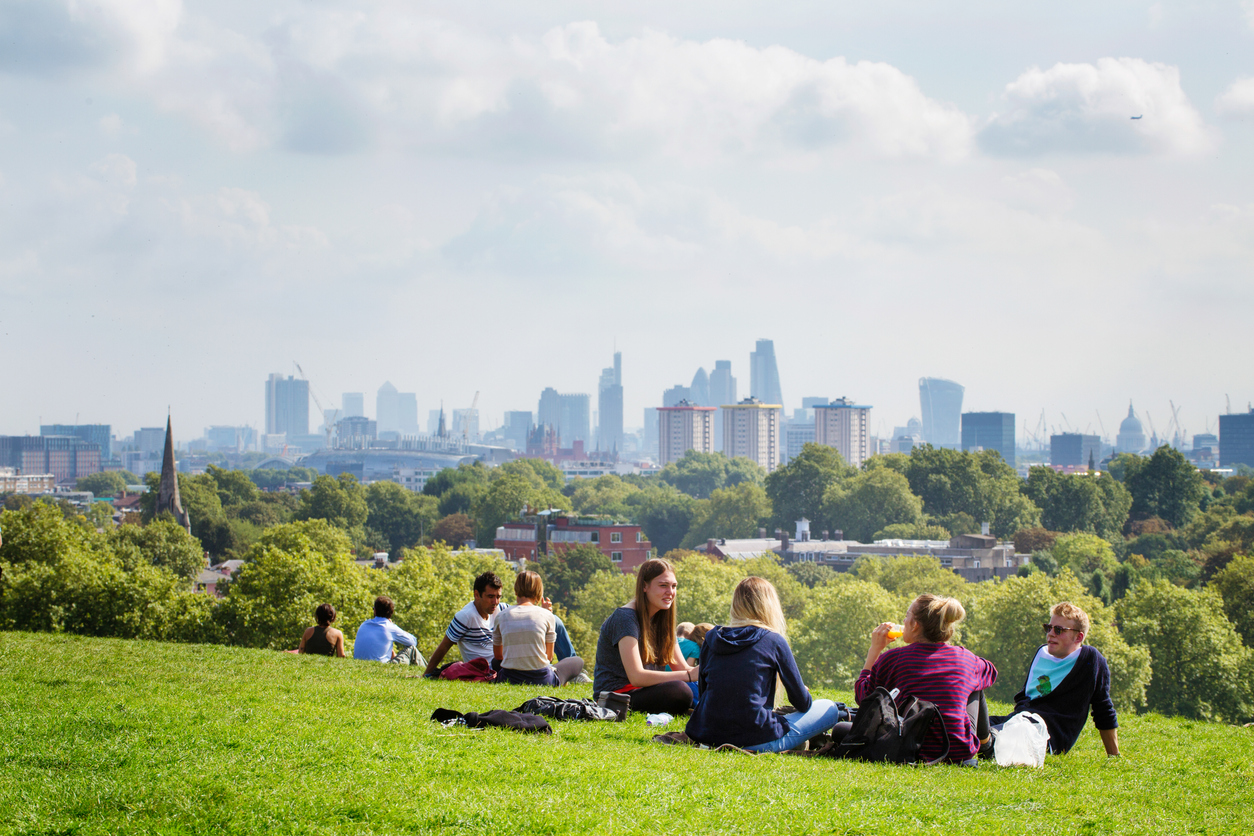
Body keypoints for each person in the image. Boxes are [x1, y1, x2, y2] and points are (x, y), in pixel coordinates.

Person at [686, 577, 841, 752]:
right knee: (830, 708)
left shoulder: (712, 638)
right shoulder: (773, 640)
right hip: (756, 738)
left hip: (706, 733)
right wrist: (803, 692)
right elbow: (802, 704)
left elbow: (705, 692)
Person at [857, 594, 997, 765]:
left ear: (915, 625)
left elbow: (864, 698)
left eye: (906, 616)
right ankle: (987, 747)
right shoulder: (966, 659)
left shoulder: (893, 658)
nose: (903, 620)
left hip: (906, 747)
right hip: (957, 752)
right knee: (976, 682)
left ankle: (986, 746)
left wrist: (875, 649)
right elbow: (991, 672)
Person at [994, 601, 1119, 756]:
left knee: (995, 734)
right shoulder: (1042, 653)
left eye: (1059, 630)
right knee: (971, 721)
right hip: (1019, 721)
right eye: (1049, 628)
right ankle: (976, 738)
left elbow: (1103, 709)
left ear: (1078, 637)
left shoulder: (1090, 659)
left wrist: (1114, 755)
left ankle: (984, 741)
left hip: (1047, 736)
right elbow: (1025, 696)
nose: (1051, 633)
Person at [421, 571, 582, 678]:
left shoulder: (501, 609)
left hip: (506, 662)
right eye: (490, 597)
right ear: (477, 595)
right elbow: (444, 646)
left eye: (498, 596)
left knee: (556, 621)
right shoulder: (465, 617)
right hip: (492, 666)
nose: (495, 602)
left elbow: (525, 616)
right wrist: (427, 674)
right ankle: (569, 671)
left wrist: (544, 613)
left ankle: (573, 673)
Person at [592, 558, 696, 715]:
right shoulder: (626, 617)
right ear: (644, 586)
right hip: (618, 696)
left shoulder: (663, 620)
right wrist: (688, 675)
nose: (670, 592)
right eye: (663, 585)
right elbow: (636, 677)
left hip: (646, 691)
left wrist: (709, 671)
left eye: (674, 586)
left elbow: (683, 668)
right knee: (680, 690)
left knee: (702, 687)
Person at [492, 570, 585, 686]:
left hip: (510, 678)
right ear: (538, 591)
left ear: (516, 590)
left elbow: (498, 656)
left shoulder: (501, 616)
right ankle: (560, 678)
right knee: (578, 661)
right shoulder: (547, 615)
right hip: (541, 679)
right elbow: (549, 657)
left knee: (495, 662)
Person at [352, 595, 424, 665]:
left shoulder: (364, 624)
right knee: (412, 649)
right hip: (380, 667)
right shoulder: (390, 627)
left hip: (360, 665)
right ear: (391, 613)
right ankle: (428, 672)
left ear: (375, 610)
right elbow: (413, 642)